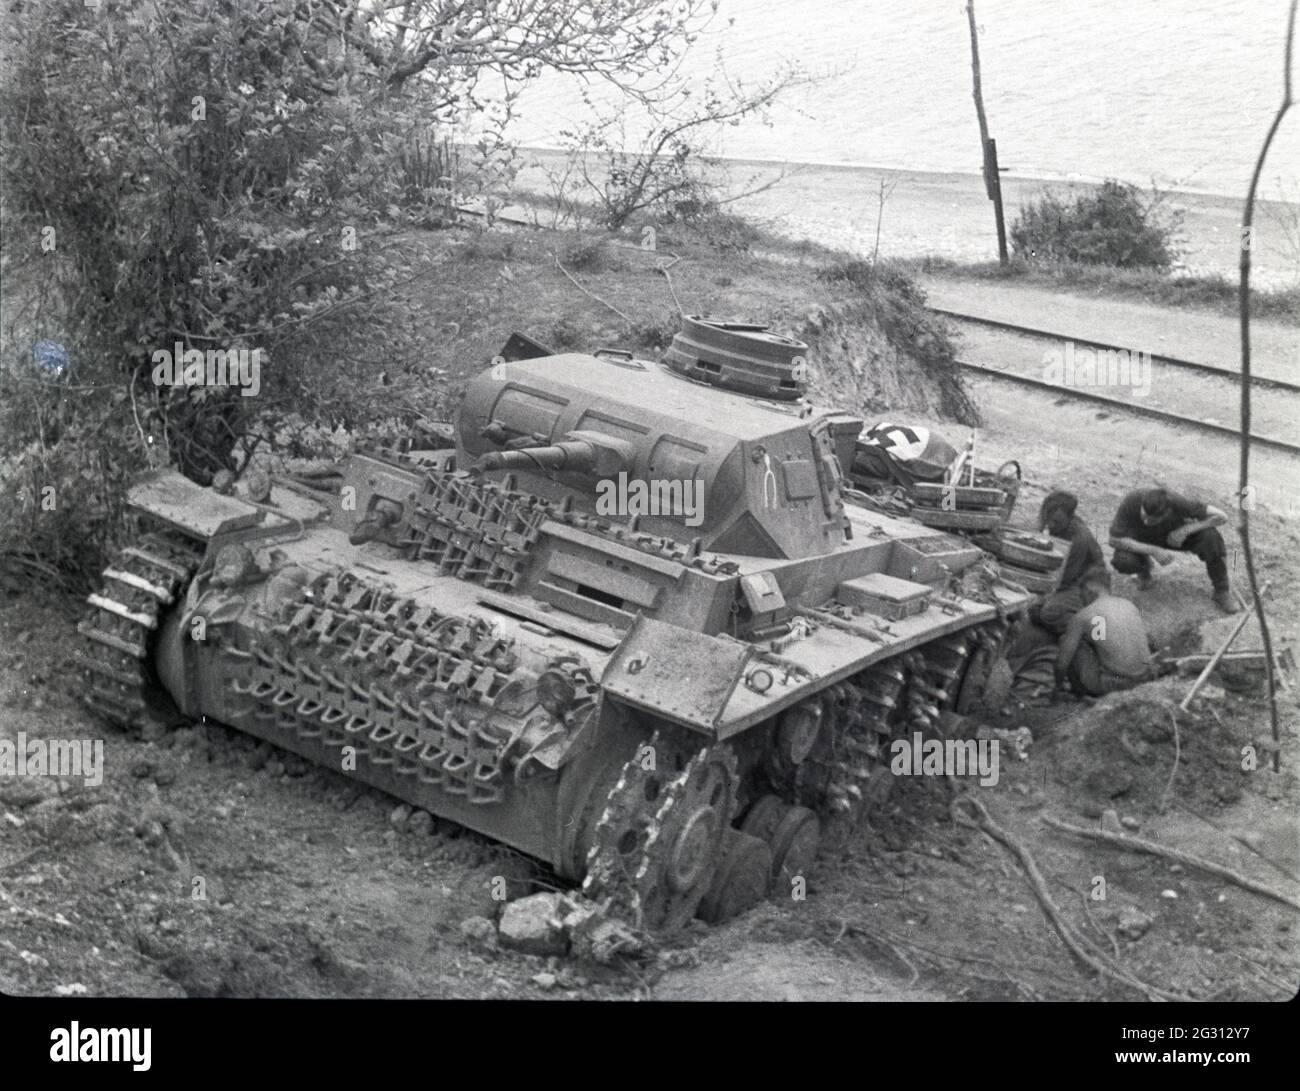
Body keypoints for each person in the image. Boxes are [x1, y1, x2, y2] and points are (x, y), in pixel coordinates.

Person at [1108, 486, 1234, 613]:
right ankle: (1144, 569)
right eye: (1144, 516)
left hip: (1173, 536)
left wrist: (1186, 530)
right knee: (1123, 560)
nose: (1146, 521)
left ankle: (1221, 590)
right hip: (1143, 540)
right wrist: (1153, 550)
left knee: (1210, 537)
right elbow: (1114, 539)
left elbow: (1222, 516)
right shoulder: (1132, 500)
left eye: (1151, 520)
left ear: (1168, 513)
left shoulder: (1178, 502)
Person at [1054, 569, 1155, 699]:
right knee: (1095, 643)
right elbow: (1104, 637)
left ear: (1088, 589)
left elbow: (1061, 665)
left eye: (1081, 595)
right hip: (1145, 679)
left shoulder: (1084, 615)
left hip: (1116, 684)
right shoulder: (1128, 605)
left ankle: (1079, 693)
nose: (1081, 599)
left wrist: (1057, 686)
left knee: (1066, 641)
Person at [1030, 490, 1105, 636]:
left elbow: (1064, 580)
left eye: (1056, 522)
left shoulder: (1079, 539)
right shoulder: (1058, 521)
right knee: (1033, 611)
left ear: (1070, 517)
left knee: (1047, 612)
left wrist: (1041, 595)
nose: (1050, 525)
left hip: (1086, 585)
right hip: (1067, 579)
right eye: (1048, 519)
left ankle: (1089, 631)